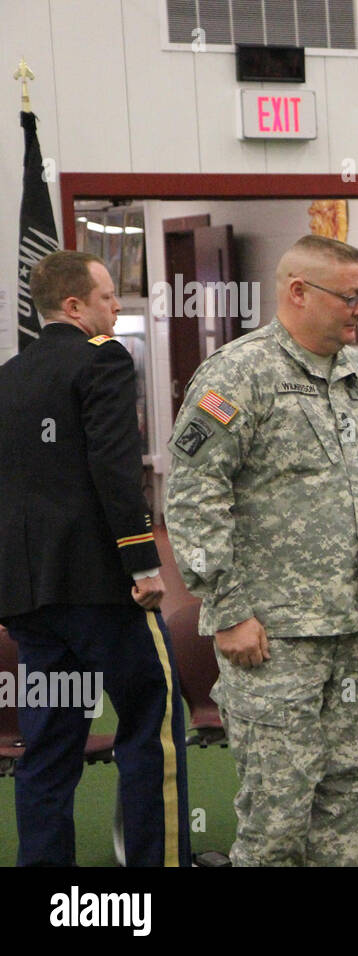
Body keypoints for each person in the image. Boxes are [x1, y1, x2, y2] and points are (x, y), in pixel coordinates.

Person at [165, 234, 358, 864]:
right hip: (273, 637)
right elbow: (194, 499)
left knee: (349, 801)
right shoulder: (237, 375)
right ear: (298, 292)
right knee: (277, 815)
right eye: (350, 297)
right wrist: (228, 609)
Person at [0, 250, 189, 866]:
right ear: (75, 306)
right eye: (108, 297)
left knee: (49, 748)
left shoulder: (7, 376)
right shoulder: (104, 359)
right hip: (103, 592)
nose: (117, 307)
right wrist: (142, 562)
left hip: (29, 597)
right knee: (148, 728)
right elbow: (114, 467)